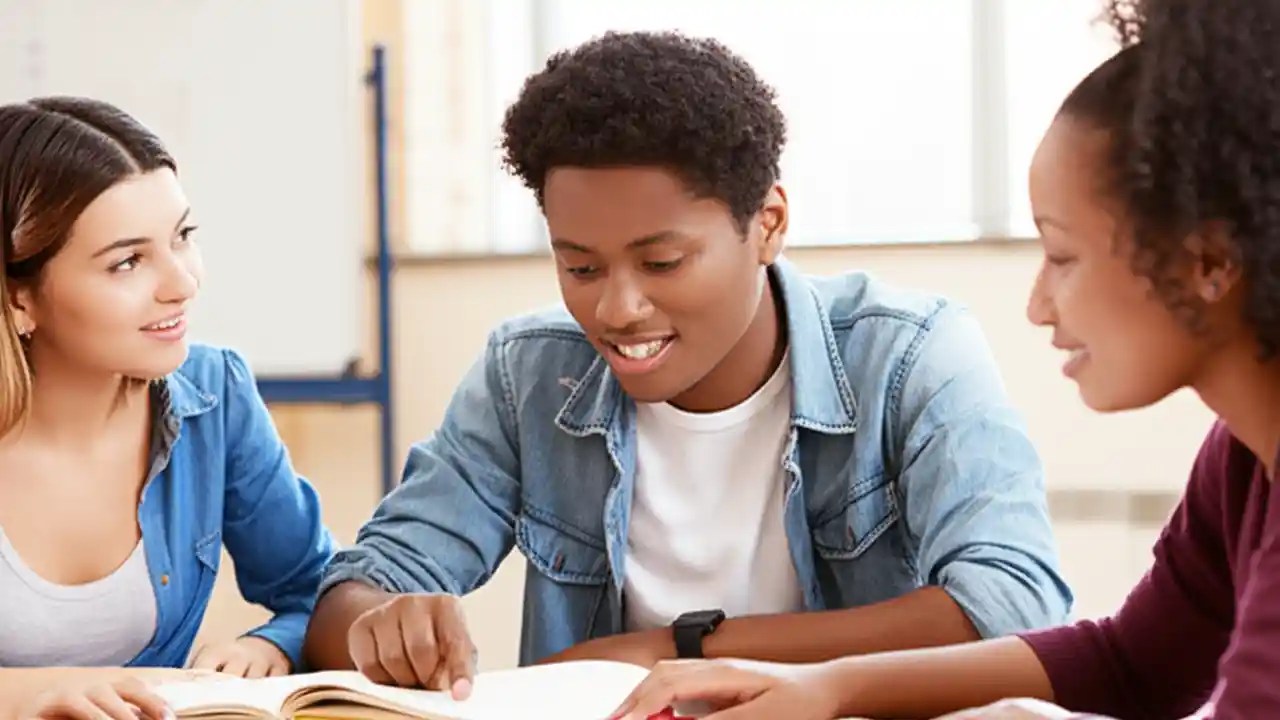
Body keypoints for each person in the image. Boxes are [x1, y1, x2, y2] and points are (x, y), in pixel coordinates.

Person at [303, 29, 1070, 697]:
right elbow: (348, 599)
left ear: (768, 224)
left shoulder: (908, 356)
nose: (617, 309)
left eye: (662, 262)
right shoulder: (527, 376)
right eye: (580, 268)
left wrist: (674, 650)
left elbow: (1014, 605)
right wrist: (386, 623)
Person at [606, 2, 1280, 719]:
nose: (1038, 306)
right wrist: (828, 689)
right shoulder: (1243, 458)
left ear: (1209, 261)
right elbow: (1132, 665)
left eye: (1061, 256)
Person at [0, 97, 338, 719]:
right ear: (20, 298)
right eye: (127, 261)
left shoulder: (214, 397)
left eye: (183, 238)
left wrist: (273, 644)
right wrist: (31, 696)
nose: (182, 283)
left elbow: (321, 593)